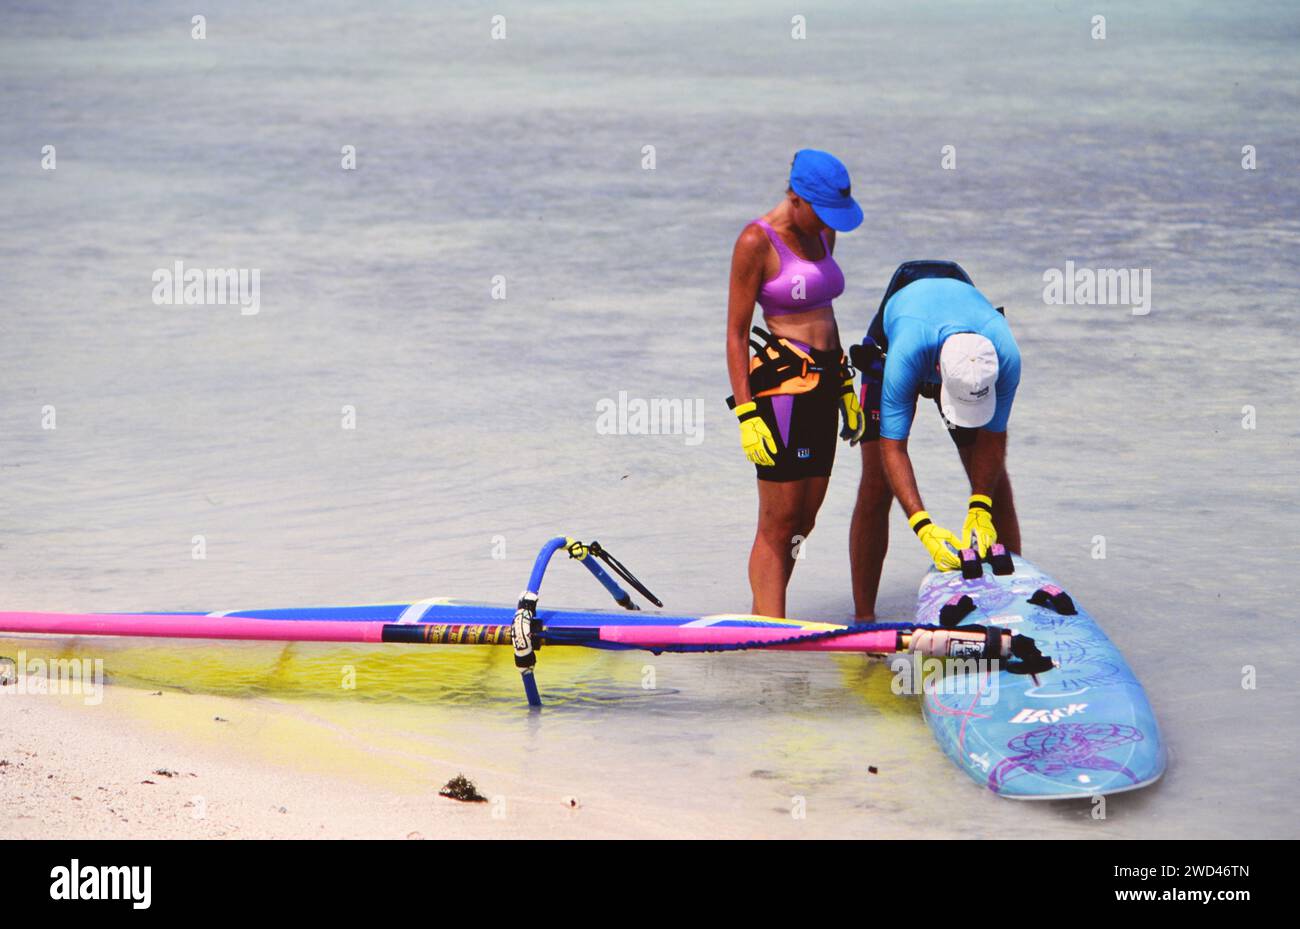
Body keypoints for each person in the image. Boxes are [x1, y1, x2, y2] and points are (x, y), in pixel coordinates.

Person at [726, 150, 866, 618]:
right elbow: (735, 334)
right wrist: (746, 415)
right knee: (777, 522)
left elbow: (825, 312)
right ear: (798, 198)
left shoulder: (821, 230)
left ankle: (765, 618)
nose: (830, 223)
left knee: (804, 520)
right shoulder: (755, 241)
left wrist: (845, 383)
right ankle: (770, 638)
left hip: (825, 385)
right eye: (823, 211)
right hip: (784, 391)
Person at [849, 260, 1022, 619]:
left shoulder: (1004, 355)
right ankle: (864, 618)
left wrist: (979, 506)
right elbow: (893, 447)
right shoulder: (906, 355)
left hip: (962, 317)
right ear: (939, 374)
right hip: (902, 331)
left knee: (991, 480)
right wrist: (923, 526)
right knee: (876, 482)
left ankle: (1013, 594)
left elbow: (994, 436)